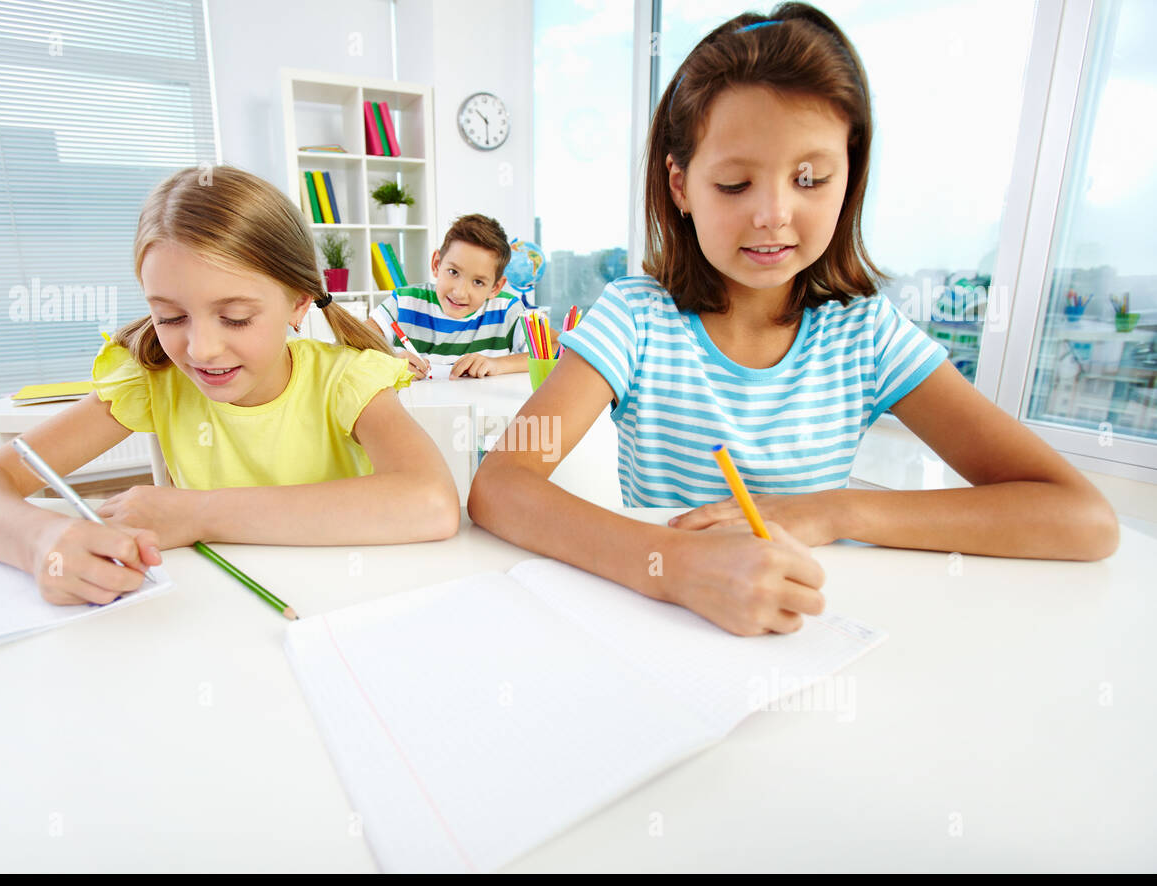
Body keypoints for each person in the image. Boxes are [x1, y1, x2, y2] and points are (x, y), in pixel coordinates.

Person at [469, 3, 1118, 637]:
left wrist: (832, 511)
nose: (774, 214)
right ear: (679, 186)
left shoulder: (867, 335)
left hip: (809, 630)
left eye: (810, 179)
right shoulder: (638, 317)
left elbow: (1081, 517)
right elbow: (501, 487)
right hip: (662, 634)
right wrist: (673, 567)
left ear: (848, 178)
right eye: (734, 185)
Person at [0, 165, 460, 606]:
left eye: (234, 317)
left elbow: (431, 503)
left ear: (300, 302)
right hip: (213, 611)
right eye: (170, 316)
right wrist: (41, 541)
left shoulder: (346, 379)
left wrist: (196, 512)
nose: (201, 349)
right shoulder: (153, 381)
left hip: (346, 601)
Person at [370, 214, 530, 378]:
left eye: (478, 282)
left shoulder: (507, 310)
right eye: (453, 272)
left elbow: (554, 350)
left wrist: (498, 364)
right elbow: (351, 343)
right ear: (436, 264)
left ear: (495, 287)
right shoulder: (404, 303)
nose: (459, 292)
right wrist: (388, 360)